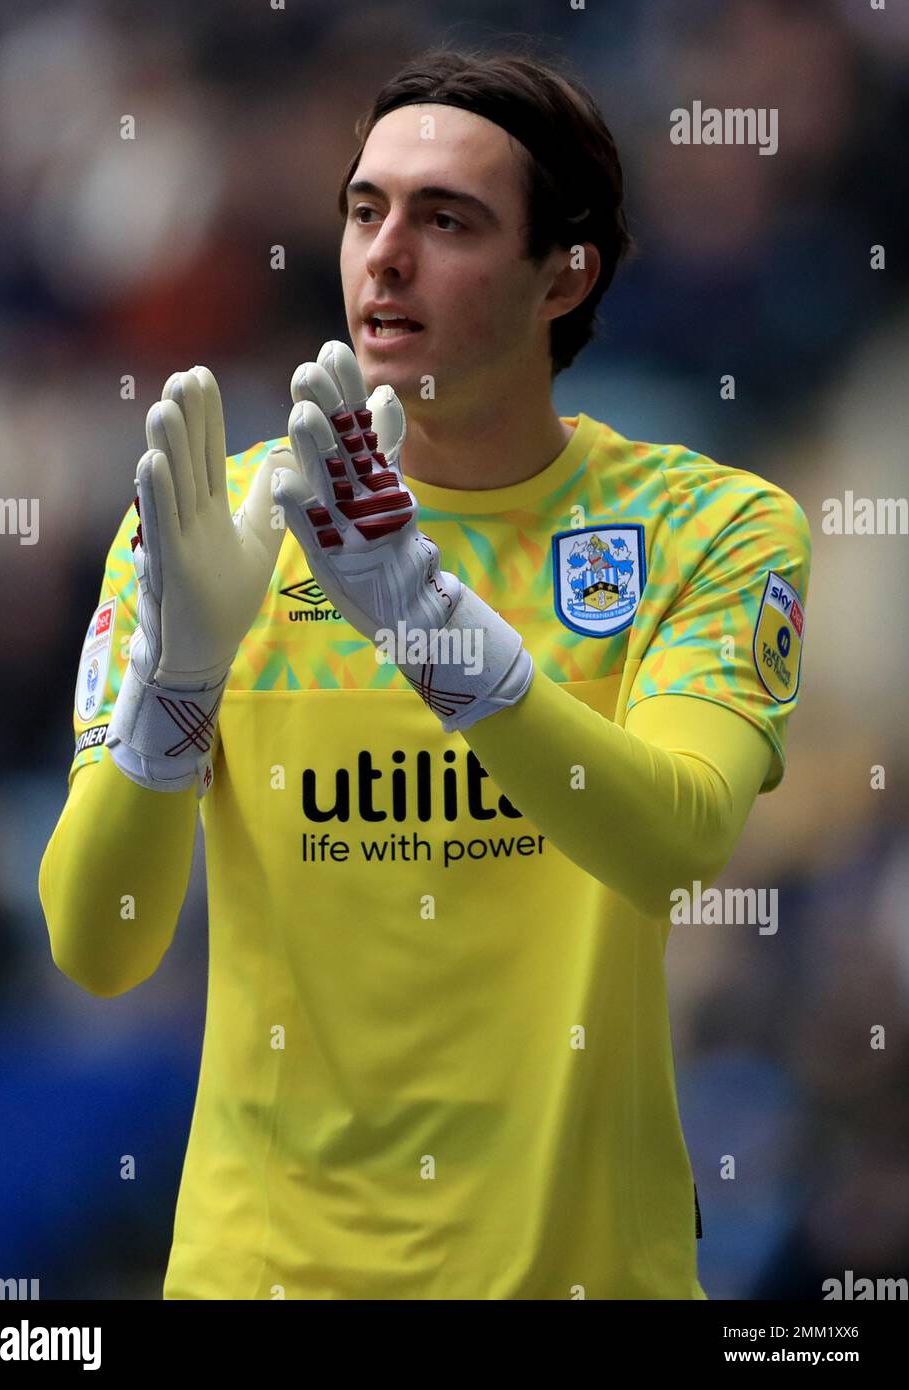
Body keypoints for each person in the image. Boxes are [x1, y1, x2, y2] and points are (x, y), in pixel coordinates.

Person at [39, 47, 810, 1300]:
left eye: (444, 219)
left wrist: (441, 643)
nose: (382, 255)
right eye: (362, 210)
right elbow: (98, 945)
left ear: (565, 274)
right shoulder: (209, 528)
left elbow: (675, 836)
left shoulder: (706, 527)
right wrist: (177, 686)